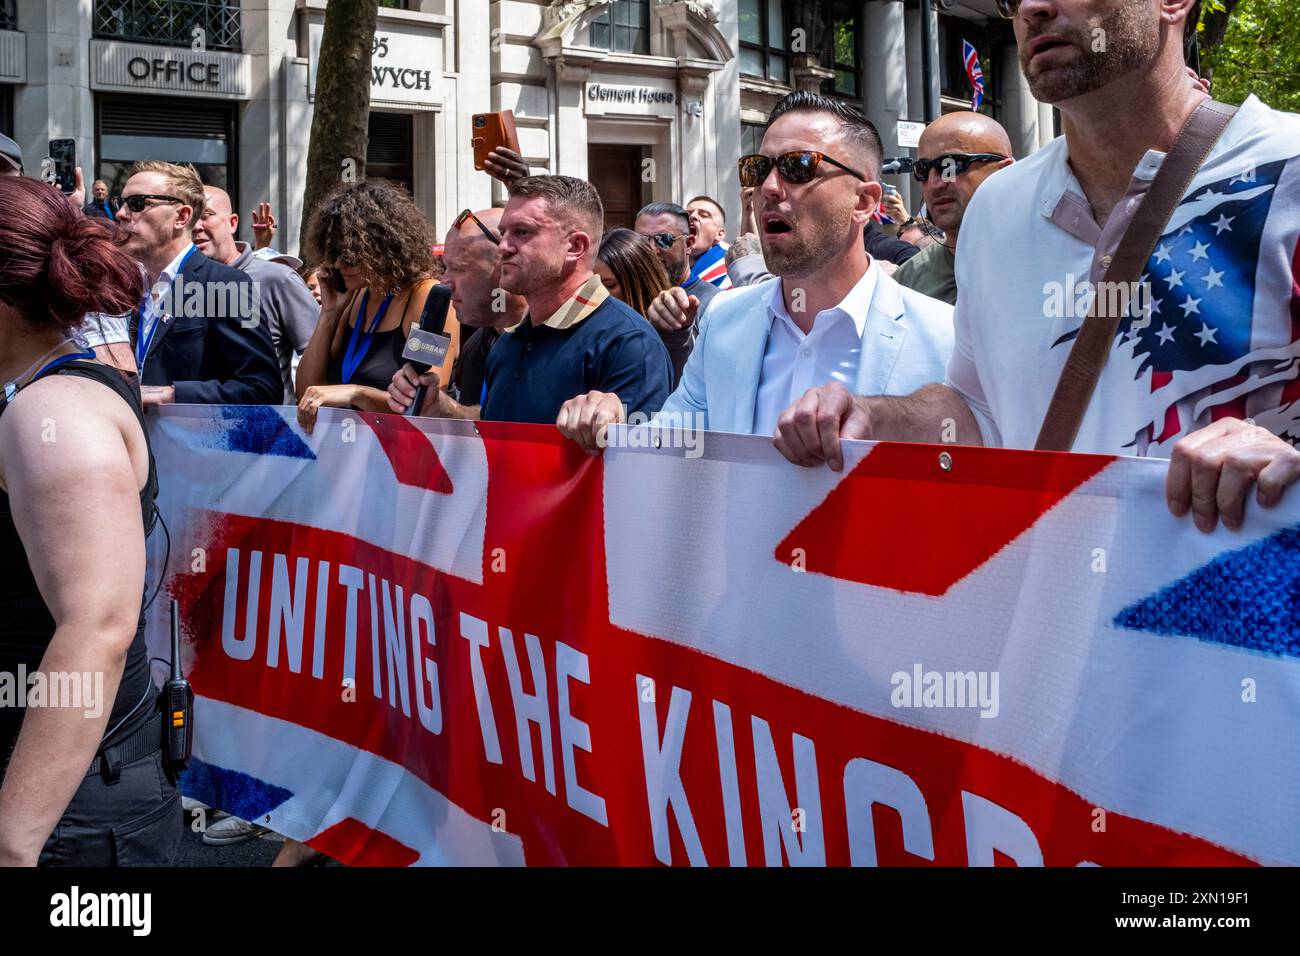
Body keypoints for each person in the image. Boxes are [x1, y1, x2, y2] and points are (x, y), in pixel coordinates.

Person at [774, 0, 1300, 534]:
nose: (1031, 8)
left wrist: (1285, 455)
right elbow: (980, 410)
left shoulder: (1288, 170)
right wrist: (878, 416)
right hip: (1050, 606)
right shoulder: (996, 209)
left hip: (1245, 606)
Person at [557, 92, 953, 450]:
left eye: (798, 167)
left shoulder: (945, 337)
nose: (768, 187)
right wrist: (615, 422)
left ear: (864, 202)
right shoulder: (724, 321)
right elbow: (675, 444)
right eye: (757, 169)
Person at [0, 176, 181, 866]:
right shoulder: (40, 395)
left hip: (66, 819)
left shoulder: (54, 414)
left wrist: (14, 845)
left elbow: (98, 629)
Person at [469, 176, 672, 425]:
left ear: (575, 246)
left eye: (522, 232)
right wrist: (442, 409)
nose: (503, 247)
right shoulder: (508, 341)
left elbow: (645, 457)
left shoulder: (629, 343)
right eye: (503, 233)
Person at [295, 180, 459, 433]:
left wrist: (357, 394)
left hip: (395, 457)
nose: (337, 264)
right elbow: (307, 390)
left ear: (381, 249)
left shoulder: (425, 296)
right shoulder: (354, 297)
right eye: (332, 253)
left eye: (349, 255)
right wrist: (329, 313)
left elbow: (426, 401)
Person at [114, 160, 281, 407]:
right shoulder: (125, 287)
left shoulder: (228, 284)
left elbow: (262, 388)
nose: (120, 213)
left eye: (138, 203)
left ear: (181, 217)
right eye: (121, 203)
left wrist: (169, 395)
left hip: (194, 443)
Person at [388, 207, 528, 419]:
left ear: (506, 267)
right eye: (445, 268)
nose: (444, 281)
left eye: (459, 268)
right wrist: (443, 408)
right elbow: (487, 424)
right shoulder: (475, 346)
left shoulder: (554, 345)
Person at [192, 185, 320, 403]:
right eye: (190, 218)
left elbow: (318, 355)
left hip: (268, 428)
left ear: (232, 223)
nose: (196, 226)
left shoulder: (277, 278)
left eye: (207, 215)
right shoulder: (177, 283)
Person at [893, 112, 1013, 305]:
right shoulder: (906, 283)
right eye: (922, 169)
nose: (934, 184)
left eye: (951, 165)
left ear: (1004, 172)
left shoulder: (1056, 262)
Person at [636, 202, 720, 381]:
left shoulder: (715, 303)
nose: (651, 250)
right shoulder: (625, 295)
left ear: (688, 244)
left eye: (664, 240)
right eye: (642, 241)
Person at [685, 195, 732, 289]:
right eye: (687, 214)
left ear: (719, 234)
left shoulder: (730, 274)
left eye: (704, 215)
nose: (693, 216)